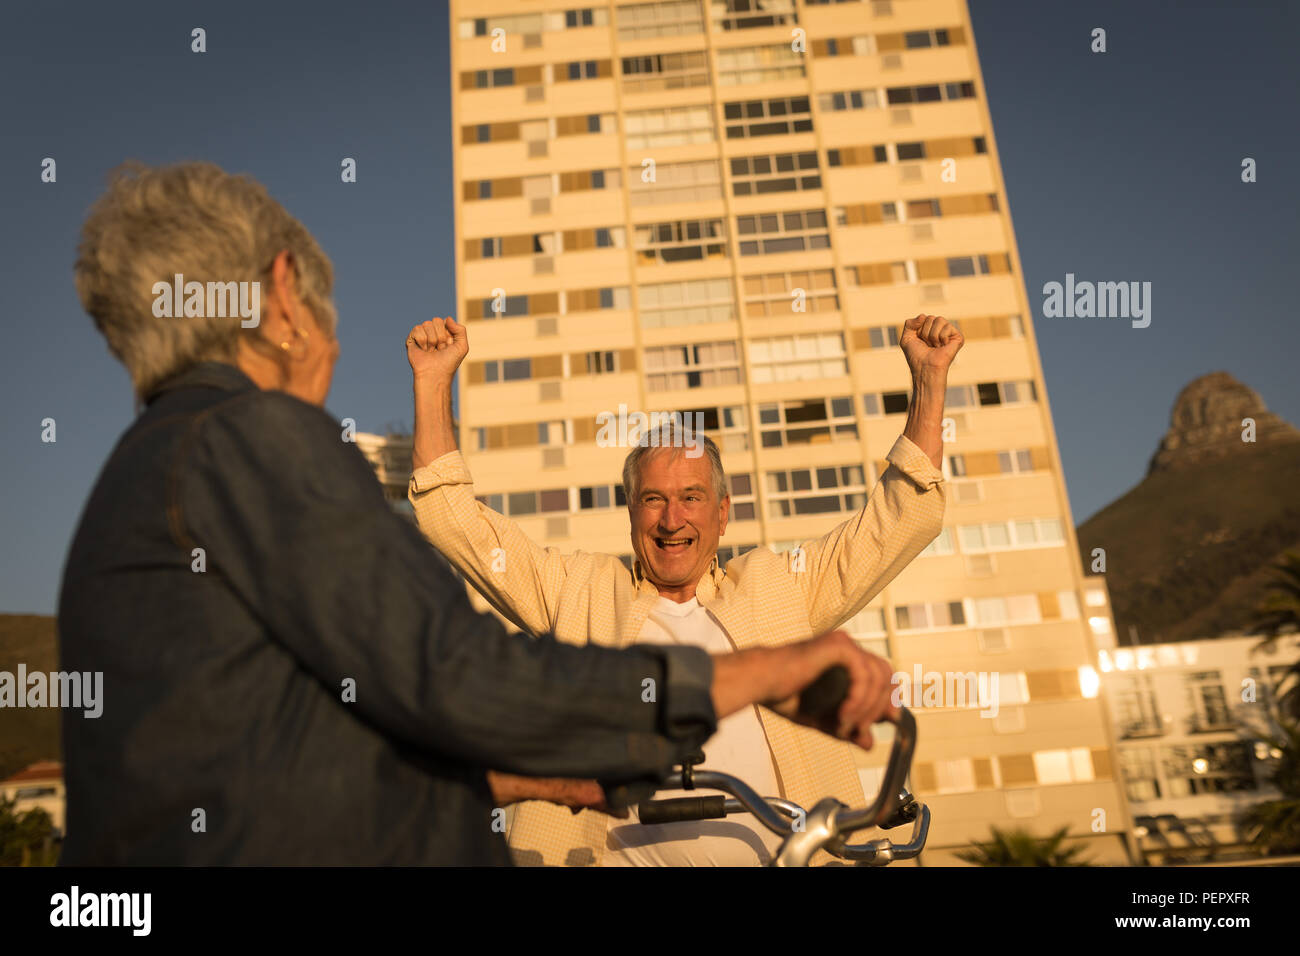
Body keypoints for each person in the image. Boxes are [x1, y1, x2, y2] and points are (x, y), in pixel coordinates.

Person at [57, 160, 897, 865]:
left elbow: (302, 753)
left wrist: (540, 778)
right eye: (324, 316)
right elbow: (455, 673)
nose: (334, 346)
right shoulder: (251, 437)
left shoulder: (143, 469)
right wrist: (766, 673)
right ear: (282, 298)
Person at [405, 307, 962, 866]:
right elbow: (455, 523)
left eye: (691, 498)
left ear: (722, 514)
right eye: (653, 500)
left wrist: (928, 381)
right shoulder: (581, 591)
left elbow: (897, 523)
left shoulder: (776, 586)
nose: (672, 519)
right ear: (631, 514)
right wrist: (433, 384)